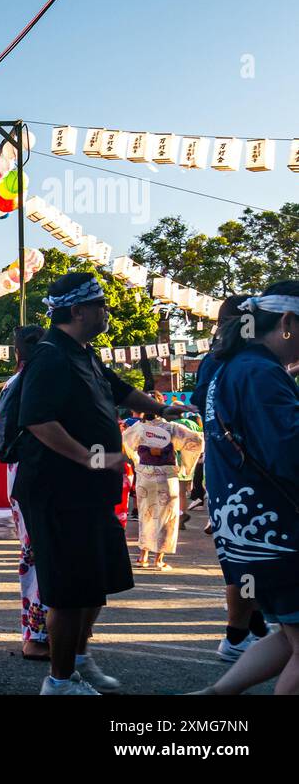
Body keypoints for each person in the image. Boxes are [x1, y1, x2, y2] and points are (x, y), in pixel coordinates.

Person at [15, 272, 185, 695]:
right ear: (78, 311)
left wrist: (173, 407)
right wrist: (93, 459)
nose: (106, 312)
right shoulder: (50, 355)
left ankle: (77, 660)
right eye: (101, 305)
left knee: (95, 583)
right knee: (69, 591)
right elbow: (37, 420)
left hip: (88, 496)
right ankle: (58, 681)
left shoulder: (83, 354)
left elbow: (123, 392)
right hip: (58, 494)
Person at [194, 281, 299, 695]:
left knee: (290, 635)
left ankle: (213, 695)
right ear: (288, 322)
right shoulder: (259, 372)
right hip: (279, 531)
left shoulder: (224, 366)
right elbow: (288, 453)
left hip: (244, 528)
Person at [190, 296, 270, 662]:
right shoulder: (249, 366)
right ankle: (237, 636)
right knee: (247, 560)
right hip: (245, 474)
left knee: (241, 559)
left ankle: (254, 630)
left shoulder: (214, 362)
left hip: (224, 472)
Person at [5, 325, 51, 660]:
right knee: (42, 555)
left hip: (19, 476)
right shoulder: (35, 381)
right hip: (38, 474)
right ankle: (36, 634)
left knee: (33, 553)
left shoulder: (12, 382)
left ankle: (38, 630)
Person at [122, 410, 202, 570]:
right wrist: (186, 465)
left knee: (145, 514)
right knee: (166, 517)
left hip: (145, 475)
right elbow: (196, 440)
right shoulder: (171, 428)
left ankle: (142, 556)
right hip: (166, 474)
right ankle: (159, 560)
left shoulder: (139, 428)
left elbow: (126, 438)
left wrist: (138, 458)